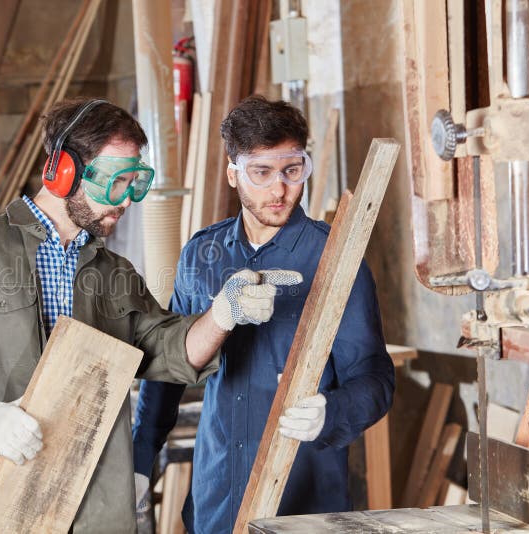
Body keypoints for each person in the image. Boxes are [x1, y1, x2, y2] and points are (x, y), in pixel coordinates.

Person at [0, 97, 302, 534]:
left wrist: (223, 313)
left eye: (134, 182)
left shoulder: (114, 273)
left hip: (89, 512)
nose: (125, 200)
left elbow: (169, 350)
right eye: (113, 182)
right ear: (61, 170)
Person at [132, 95, 395, 533]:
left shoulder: (336, 256)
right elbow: (167, 371)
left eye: (292, 171)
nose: (279, 190)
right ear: (234, 173)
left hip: (306, 505)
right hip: (216, 500)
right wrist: (141, 460)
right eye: (262, 173)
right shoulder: (202, 254)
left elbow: (376, 376)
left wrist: (331, 410)